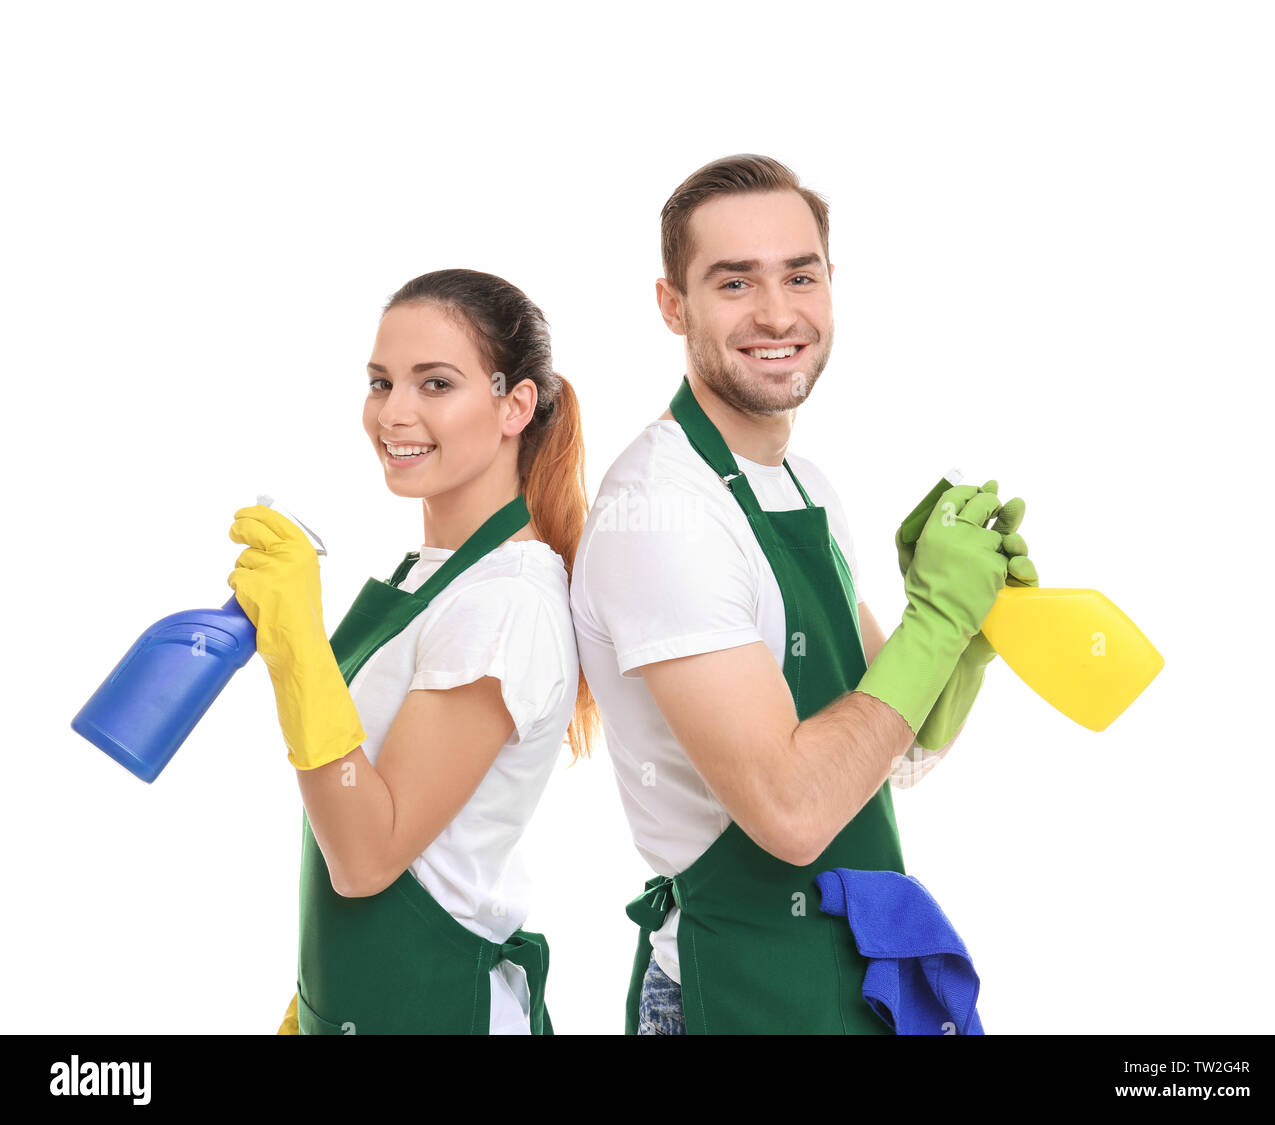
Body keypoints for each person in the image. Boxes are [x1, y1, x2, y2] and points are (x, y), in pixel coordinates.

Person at [569, 155, 1036, 1034]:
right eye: (735, 281)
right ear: (673, 305)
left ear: (831, 285)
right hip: (733, 994)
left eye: (800, 275)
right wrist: (933, 620)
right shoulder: (660, 512)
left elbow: (893, 756)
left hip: (844, 984)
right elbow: (792, 810)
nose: (777, 313)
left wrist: (970, 634)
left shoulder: (804, 485)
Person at [227, 268, 597, 1034]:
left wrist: (297, 642)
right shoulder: (429, 575)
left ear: (513, 405)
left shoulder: (506, 601)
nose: (394, 413)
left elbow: (368, 856)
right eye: (380, 382)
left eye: (435, 384)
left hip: (440, 1010)